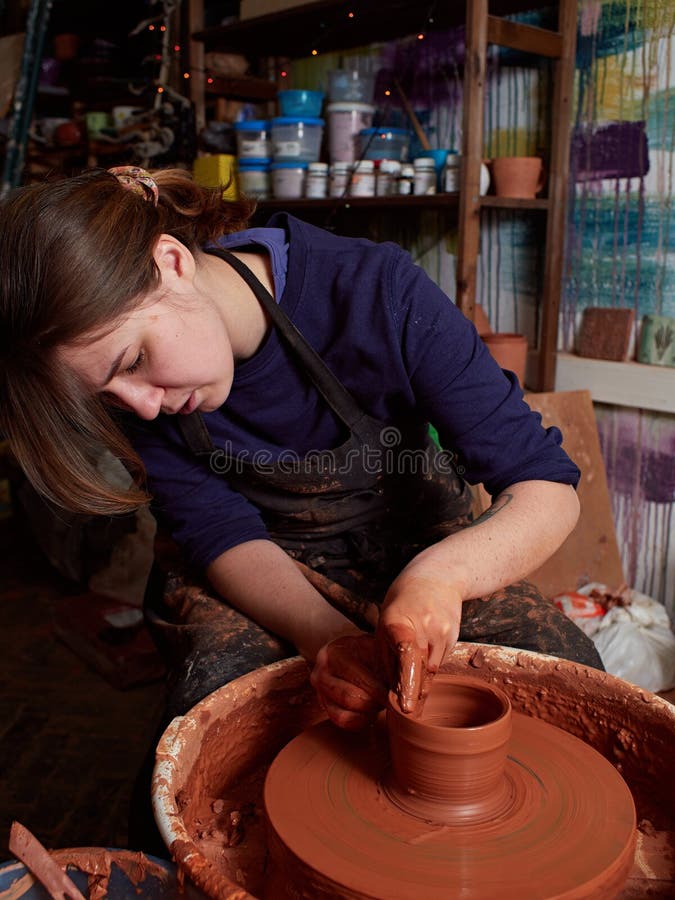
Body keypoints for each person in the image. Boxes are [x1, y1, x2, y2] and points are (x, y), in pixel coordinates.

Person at [0, 166, 603, 736]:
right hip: (266, 567)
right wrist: (327, 639)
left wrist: (440, 576)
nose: (144, 406)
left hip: (418, 543)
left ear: (173, 261)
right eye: (111, 396)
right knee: (220, 716)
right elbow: (217, 530)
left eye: (133, 362)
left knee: (566, 676)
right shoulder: (137, 392)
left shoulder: (376, 291)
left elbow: (545, 488)